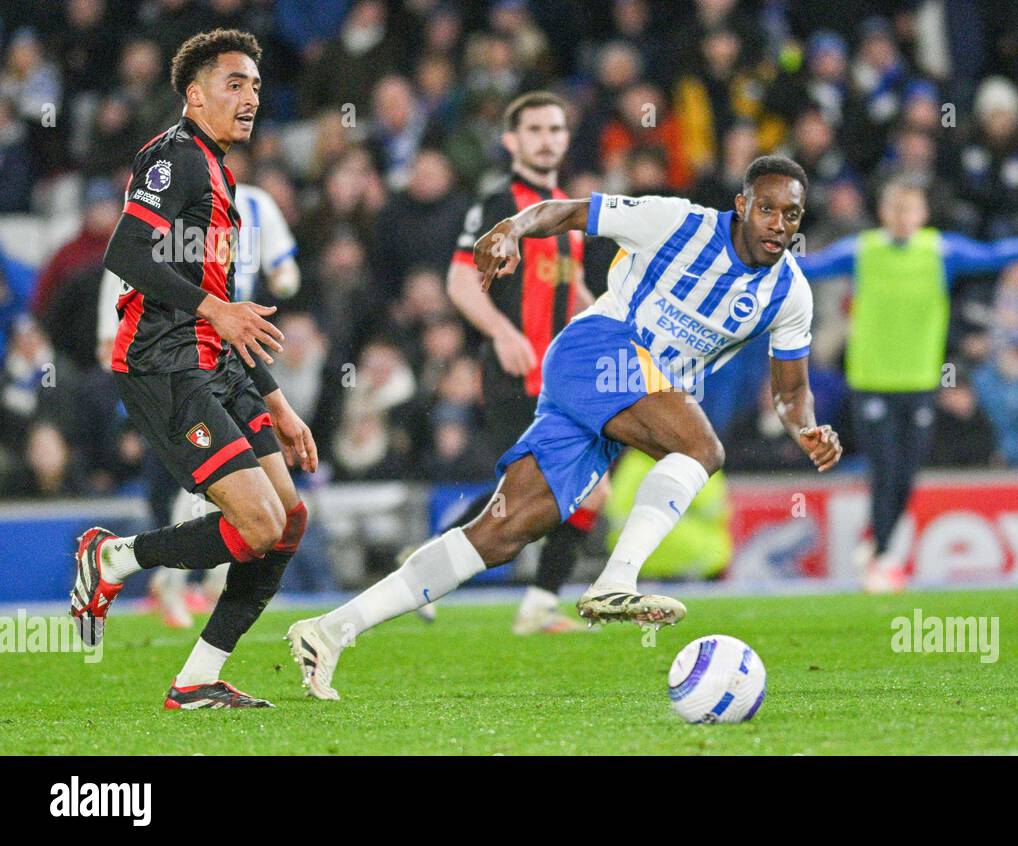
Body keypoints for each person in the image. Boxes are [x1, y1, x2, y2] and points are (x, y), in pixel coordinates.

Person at [287, 155, 843, 701]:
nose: (777, 224)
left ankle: (330, 630)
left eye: (790, 215)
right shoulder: (676, 221)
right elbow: (565, 211)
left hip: (619, 395)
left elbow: (790, 391)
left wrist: (807, 429)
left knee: (500, 535)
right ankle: (616, 580)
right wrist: (510, 230)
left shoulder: (789, 293)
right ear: (742, 205)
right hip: (598, 350)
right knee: (701, 448)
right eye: (766, 209)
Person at [68, 29, 319, 709]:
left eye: (257, 87)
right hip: (162, 363)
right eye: (234, 85)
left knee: (287, 524)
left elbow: (230, 314)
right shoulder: (173, 156)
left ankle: (197, 678)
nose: (250, 99)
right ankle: (113, 558)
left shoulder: (219, 172)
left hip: (214, 361)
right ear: (195, 93)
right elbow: (125, 250)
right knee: (261, 525)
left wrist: (279, 405)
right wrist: (215, 306)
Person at [798, 177, 1018, 593]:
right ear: (883, 213)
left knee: (907, 471)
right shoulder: (864, 250)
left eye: (910, 210)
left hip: (919, 380)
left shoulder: (940, 251)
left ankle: (878, 547)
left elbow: (992, 256)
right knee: (885, 466)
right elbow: (810, 265)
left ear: (922, 214)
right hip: (872, 381)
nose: (903, 218)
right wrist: (763, 255)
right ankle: (885, 557)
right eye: (895, 209)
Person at [439, 90, 600, 635]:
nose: (547, 139)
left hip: (559, 376)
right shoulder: (495, 203)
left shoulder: (564, 210)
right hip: (514, 369)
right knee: (548, 489)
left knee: (575, 488)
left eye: (556, 129)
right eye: (534, 129)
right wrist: (504, 333)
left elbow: (572, 289)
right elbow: (461, 280)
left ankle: (533, 603)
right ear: (511, 141)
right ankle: (450, 571)